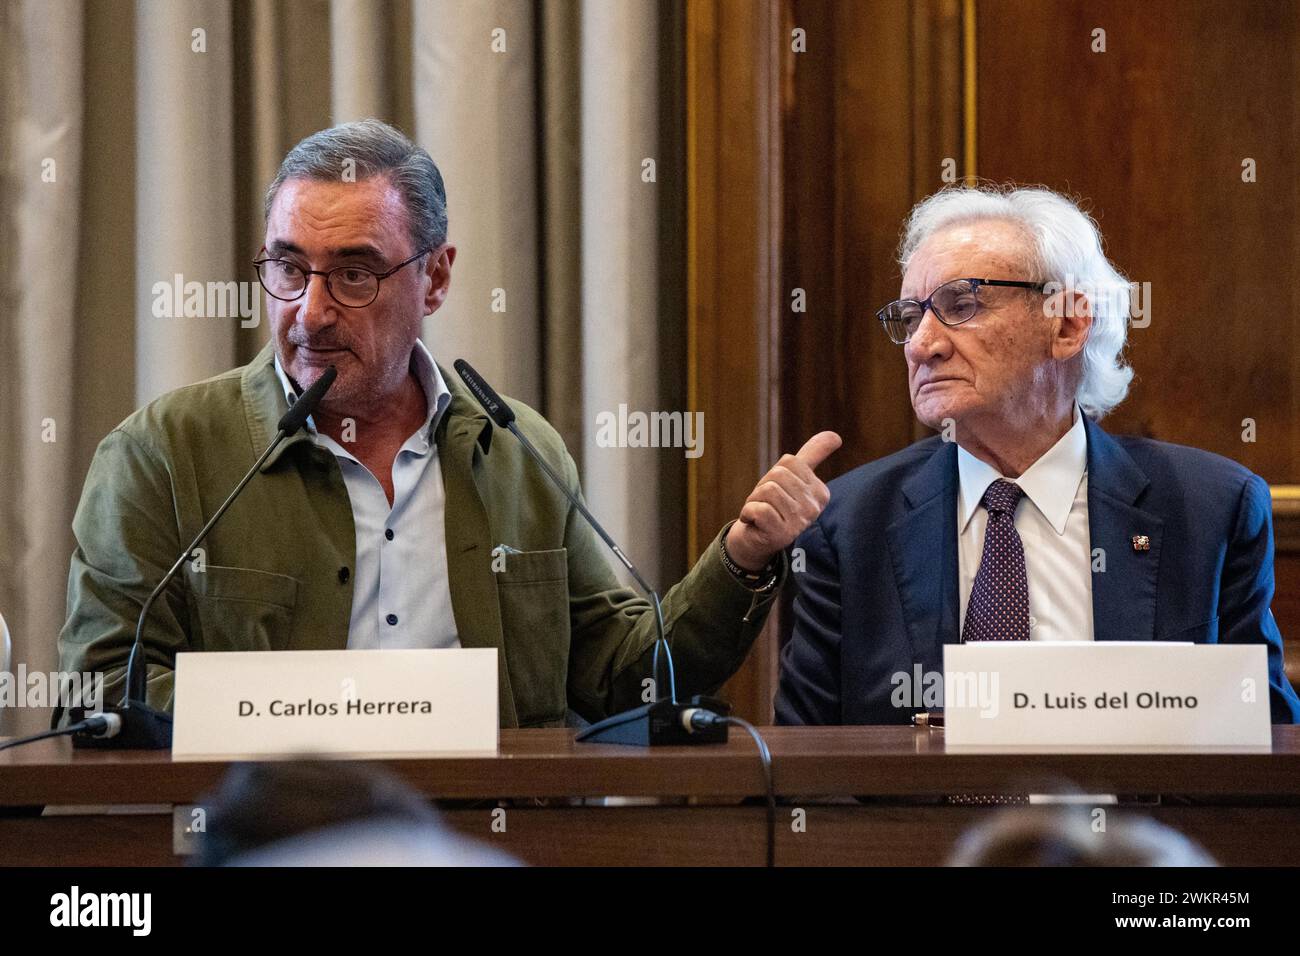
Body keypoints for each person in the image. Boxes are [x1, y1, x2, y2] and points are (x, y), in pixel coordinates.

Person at [59, 119, 841, 728]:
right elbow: (99, 696)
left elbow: (623, 681)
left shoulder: (519, 450)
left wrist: (742, 557)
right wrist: (331, 722)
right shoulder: (162, 453)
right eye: (289, 268)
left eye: (355, 274)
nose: (311, 310)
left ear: (434, 278)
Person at [776, 184, 1300, 725]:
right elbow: (803, 769)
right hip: (924, 815)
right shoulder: (847, 524)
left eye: (962, 304)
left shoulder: (1211, 509)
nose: (920, 344)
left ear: (1068, 324)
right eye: (911, 317)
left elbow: (1264, 753)